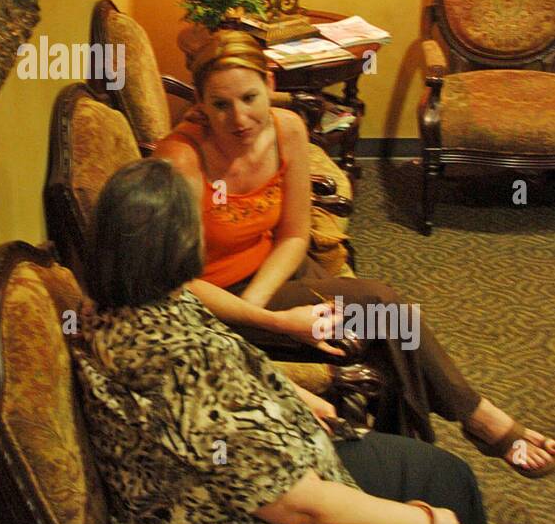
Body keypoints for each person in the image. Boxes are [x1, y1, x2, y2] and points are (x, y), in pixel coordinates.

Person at [71, 156, 554, 524]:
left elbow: (224, 378)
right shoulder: (175, 362)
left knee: (444, 473)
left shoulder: (131, 304)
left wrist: (294, 396)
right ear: (176, 242)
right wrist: (423, 522)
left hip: (247, 485)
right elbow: (295, 507)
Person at [151, 29, 555, 475]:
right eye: (220, 104)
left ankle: (412, 456)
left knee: (381, 337)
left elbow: (292, 235)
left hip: (270, 273)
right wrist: (267, 319)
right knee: (381, 308)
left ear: (269, 82)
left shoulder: (287, 128)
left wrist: (259, 299)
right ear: (201, 104)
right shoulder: (182, 160)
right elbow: (176, 284)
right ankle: (479, 421)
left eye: (249, 97)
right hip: (216, 298)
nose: (240, 118)